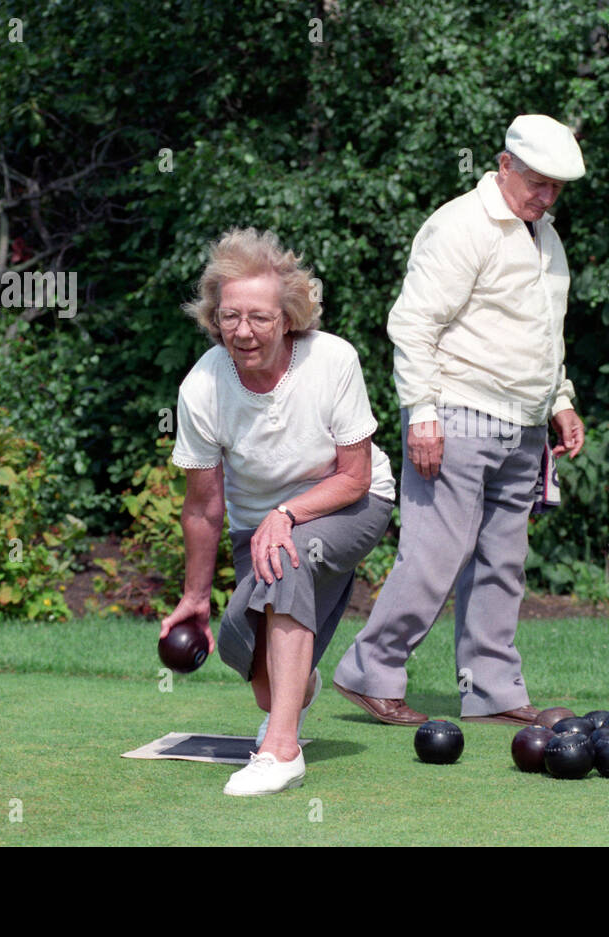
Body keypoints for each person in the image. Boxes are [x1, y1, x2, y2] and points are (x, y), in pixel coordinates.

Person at [333, 115, 587, 726]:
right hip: (457, 416)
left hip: (524, 426)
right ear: (504, 165)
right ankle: (371, 673)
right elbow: (413, 324)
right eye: (537, 182)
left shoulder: (544, 238)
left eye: (556, 187)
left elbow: (544, 333)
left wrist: (561, 401)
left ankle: (494, 693)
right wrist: (421, 414)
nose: (546, 196)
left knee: (502, 563)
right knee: (434, 557)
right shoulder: (459, 225)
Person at [161, 228, 396, 795]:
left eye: (259, 318)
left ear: (288, 317)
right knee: (251, 657)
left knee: (286, 560)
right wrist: (194, 596)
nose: (243, 331)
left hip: (351, 504)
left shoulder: (333, 359)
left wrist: (287, 513)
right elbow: (203, 506)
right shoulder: (202, 387)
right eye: (230, 316)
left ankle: (281, 750)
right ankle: (293, 691)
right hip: (258, 527)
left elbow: (355, 475)